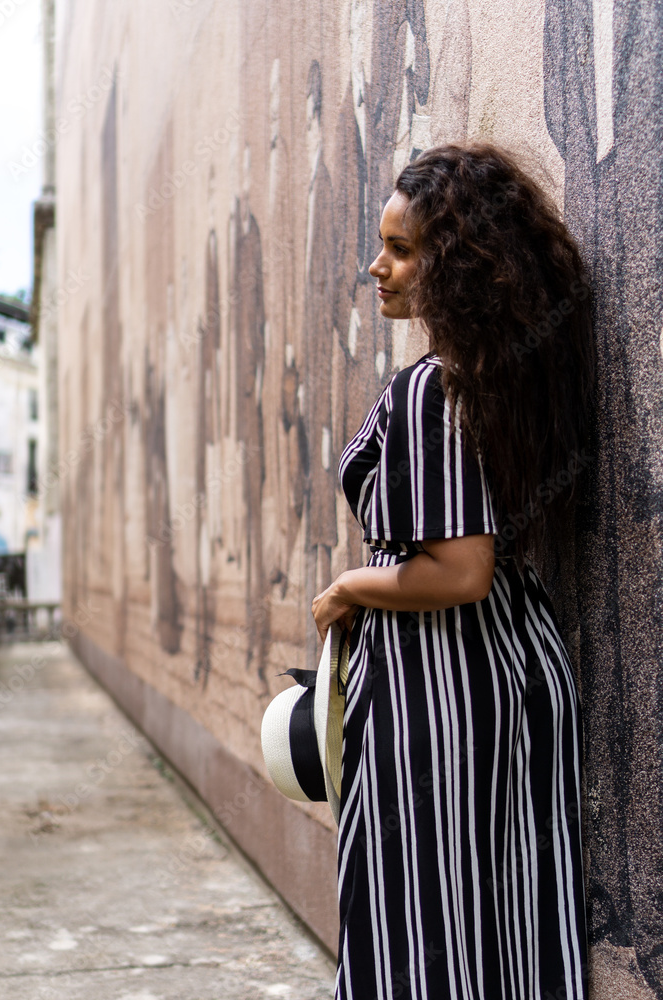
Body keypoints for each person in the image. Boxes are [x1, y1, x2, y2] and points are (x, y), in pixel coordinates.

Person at [312, 143, 592, 1000]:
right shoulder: (518, 371)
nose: (376, 266)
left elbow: (458, 571)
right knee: (506, 911)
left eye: (400, 249)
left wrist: (348, 588)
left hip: (440, 686)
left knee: (419, 918)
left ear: (461, 264)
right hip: (514, 666)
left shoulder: (432, 389)